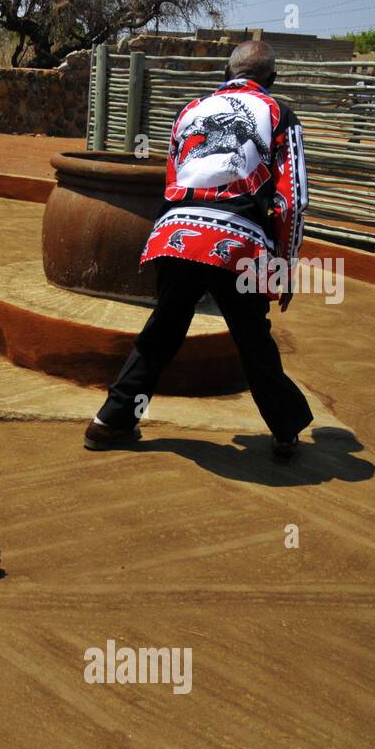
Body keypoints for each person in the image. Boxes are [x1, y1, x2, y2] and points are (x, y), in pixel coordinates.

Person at [84, 41, 312, 460]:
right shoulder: (279, 113)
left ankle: (110, 421)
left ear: (227, 73)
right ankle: (284, 431)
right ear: (272, 79)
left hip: (176, 234)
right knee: (252, 339)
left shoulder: (189, 111)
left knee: (163, 330)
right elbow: (291, 199)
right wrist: (286, 266)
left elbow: (173, 177)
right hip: (237, 242)